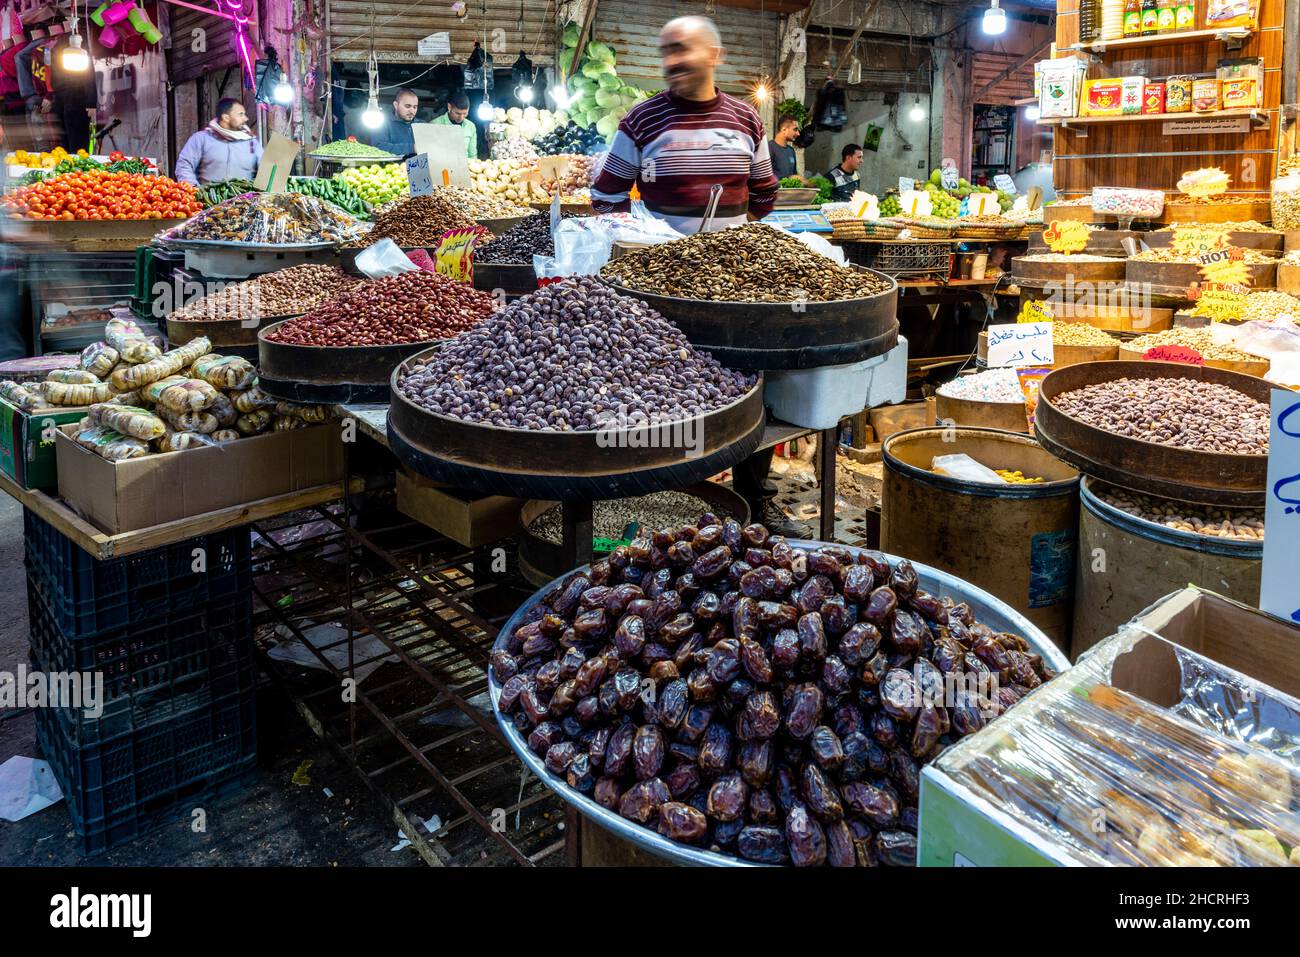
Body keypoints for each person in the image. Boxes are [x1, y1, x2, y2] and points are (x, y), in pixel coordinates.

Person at [591, 16, 788, 527]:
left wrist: (732, 235)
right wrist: (652, 243)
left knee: (748, 376)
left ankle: (750, 494)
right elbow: (605, 198)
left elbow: (765, 193)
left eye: (682, 49)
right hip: (662, 288)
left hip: (739, 280)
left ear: (714, 56)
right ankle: (669, 501)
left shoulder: (747, 120)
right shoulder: (642, 121)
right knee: (669, 389)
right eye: (666, 51)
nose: (672, 61)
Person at [174, 98, 262, 186]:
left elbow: (267, 173)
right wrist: (194, 190)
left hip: (244, 199)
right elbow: (184, 165)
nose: (246, 118)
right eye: (240, 114)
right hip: (206, 199)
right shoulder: (201, 139)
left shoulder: (252, 143)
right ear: (226, 117)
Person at [368, 88, 418, 157]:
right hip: (393, 167)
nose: (412, 111)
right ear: (396, 105)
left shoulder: (421, 124)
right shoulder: (382, 123)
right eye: (407, 106)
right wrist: (411, 148)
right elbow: (378, 146)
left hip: (420, 167)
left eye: (415, 107)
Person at [432, 91, 477, 159]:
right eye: (458, 113)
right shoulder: (434, 124)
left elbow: (472, 155)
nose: (461, 117)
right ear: (449, 107)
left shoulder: (471, 126)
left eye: (465, 113)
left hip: (465, 167)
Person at [769, 113, 799, 180]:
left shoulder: (791, 150)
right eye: (795, 129)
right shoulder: (769, 148)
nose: (798, 133)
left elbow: (794, 175)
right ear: (784, 130)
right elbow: (764, 177)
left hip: (789, 190)